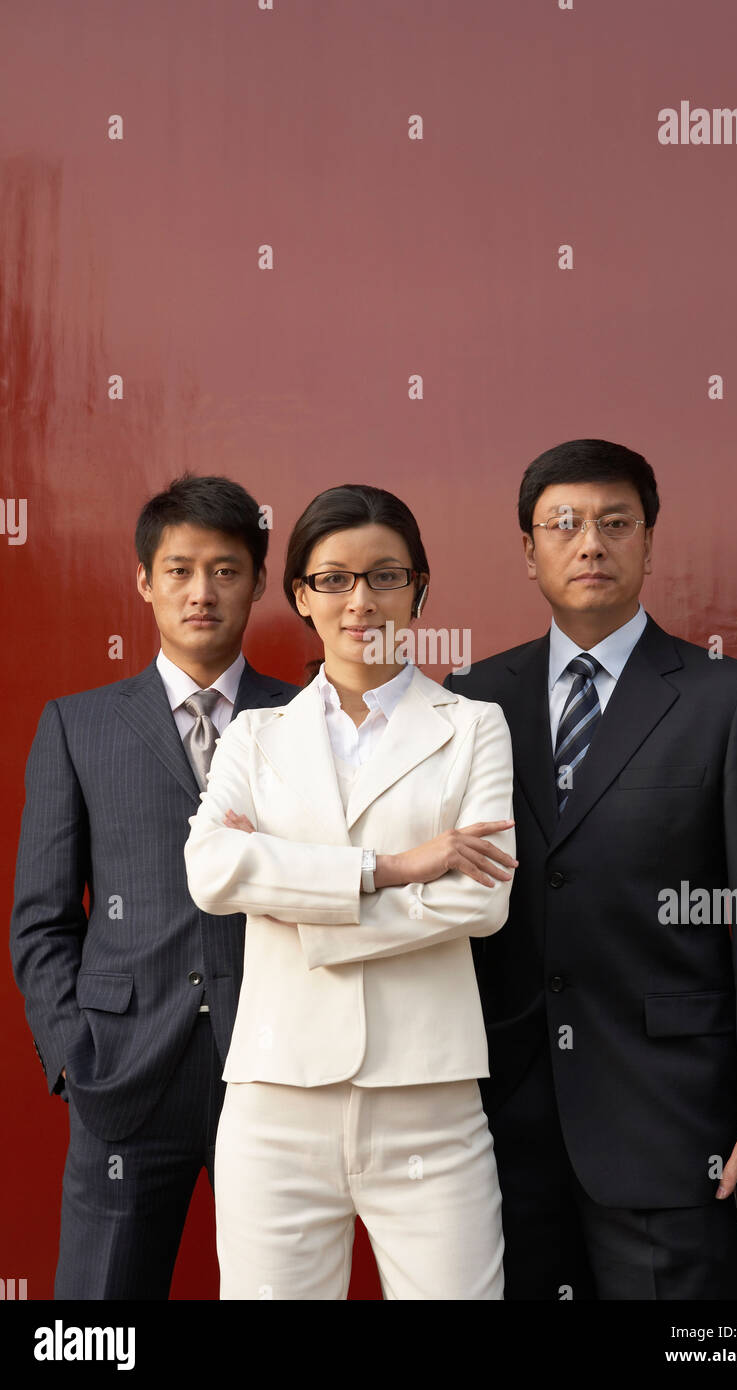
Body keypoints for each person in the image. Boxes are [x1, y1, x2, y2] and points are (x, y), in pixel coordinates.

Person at [445, 438, 737, 1300]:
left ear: (650, 541)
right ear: (527, 550)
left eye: (616, 523)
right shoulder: (468, 701)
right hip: (503, 1124)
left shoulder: (729, 699)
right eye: (564, 524)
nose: (590, 544)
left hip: (674, 1124)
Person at [184, 483, 516, 1300]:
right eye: (333, 579)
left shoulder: (473, 726)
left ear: (420, 590)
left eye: (385, 576)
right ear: (300, 594)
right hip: (274, 1103)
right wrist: (390, 869)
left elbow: (482, 901)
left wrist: (308, 918)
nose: (360, 600)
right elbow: (211, 872)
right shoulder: (255, 737)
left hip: (429, 1104)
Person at [10, 473, 299, 1299]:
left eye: (225, 569)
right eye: (178, 569)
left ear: (256, 582)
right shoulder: (79, 724)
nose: (201, 591)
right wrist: (74, 1054)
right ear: (144, 581)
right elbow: (41, 918)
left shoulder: (307, 719)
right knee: (100, 1319)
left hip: (275, 1067)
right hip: (124, 1075)